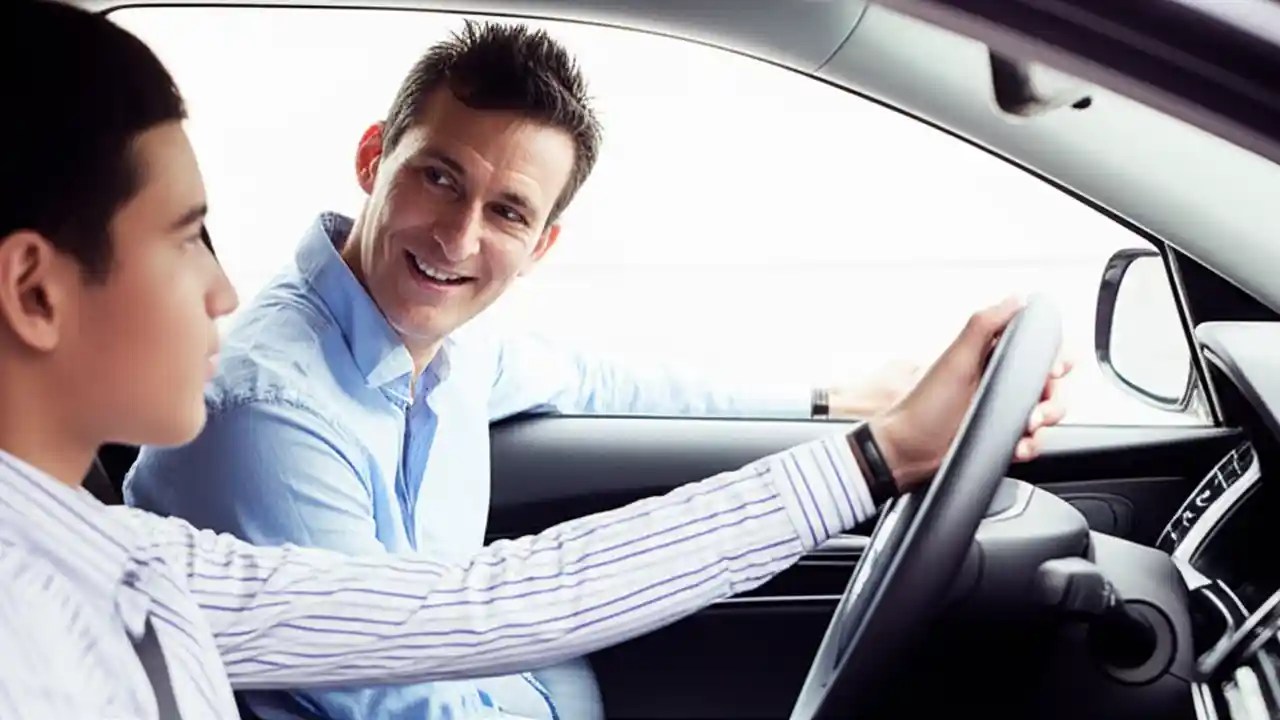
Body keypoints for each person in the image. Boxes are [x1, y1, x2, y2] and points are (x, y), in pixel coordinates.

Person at [0, 2, 1066, 718]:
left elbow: (504, 598)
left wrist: (852, 429)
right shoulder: (245, 420)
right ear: (36, 292)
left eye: (505, 209)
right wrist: (867, 461)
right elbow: (440, 653)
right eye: (189, 235)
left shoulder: (146, 568)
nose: (224, 295)